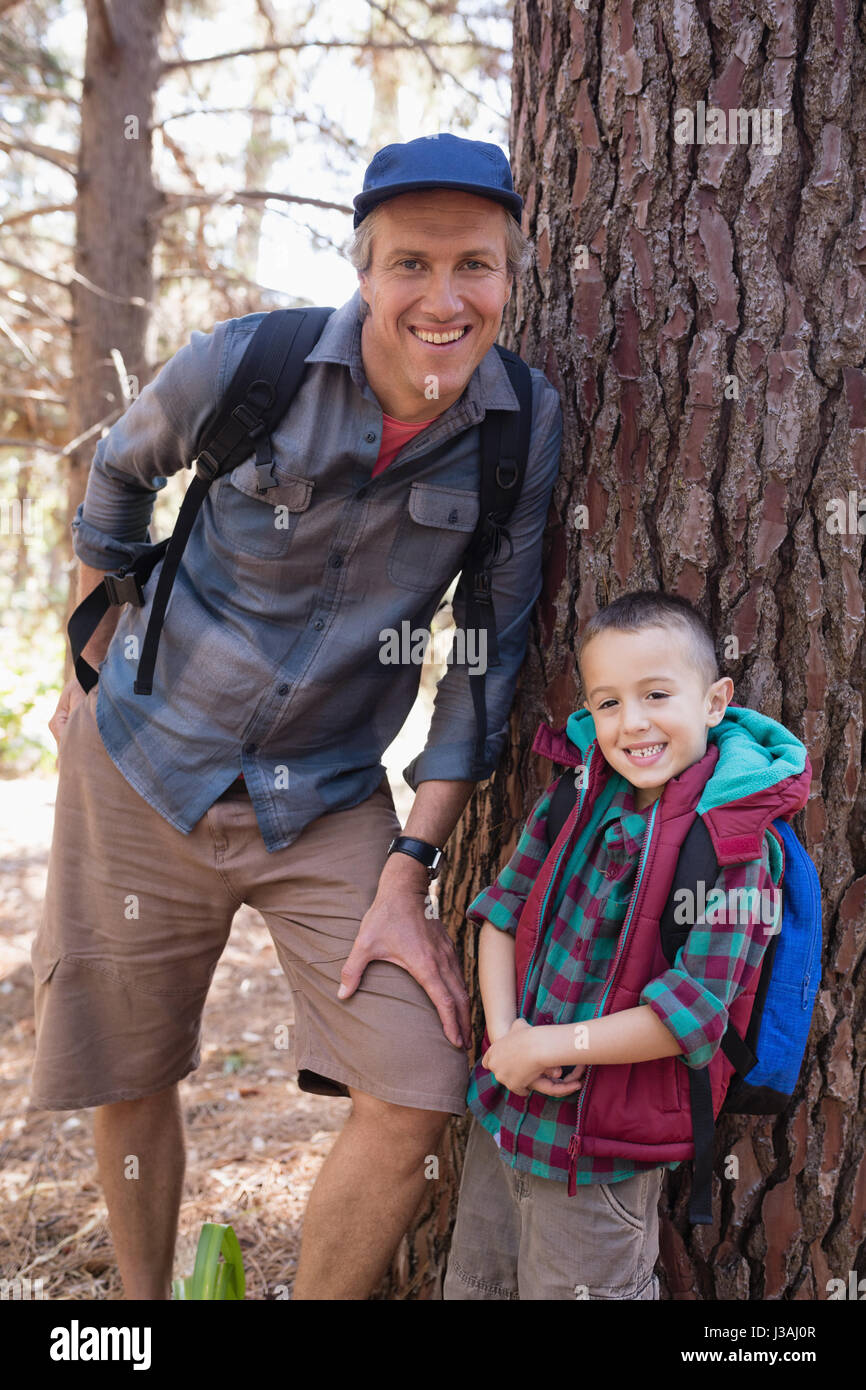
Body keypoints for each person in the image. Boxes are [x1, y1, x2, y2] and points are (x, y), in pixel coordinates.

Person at [30, 133, 563, 1300]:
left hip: (322, 796)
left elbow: (486, 656)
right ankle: (136, 1312)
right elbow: (119, 476)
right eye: (411, 263)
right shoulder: (249, 361)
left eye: (473, 265)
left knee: (418, 1085)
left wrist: (407, 866)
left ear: (509, 278)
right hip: (141, 765)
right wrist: (86, 664)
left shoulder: (520, 425)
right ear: (364, 267)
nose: (442, 297)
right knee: (132, 1067)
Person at [443, 590, 811, 1300]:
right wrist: (506, 1035)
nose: (631, 722)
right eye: (607, 702)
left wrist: (550, 1047)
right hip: (505, 1120)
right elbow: (500, 911)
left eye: (656, 694)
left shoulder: (736, 847)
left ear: (715, 700)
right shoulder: (577, 796)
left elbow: (691, 1016)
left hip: (603, 1155)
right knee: (474, 1285)